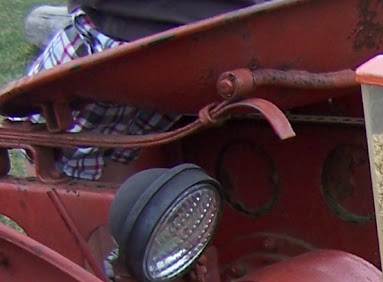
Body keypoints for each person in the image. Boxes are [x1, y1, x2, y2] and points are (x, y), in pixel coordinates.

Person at [25, 0, 261, 180]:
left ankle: (69, 237)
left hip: (123, 39)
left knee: (32, 134)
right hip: (223, 53)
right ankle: (113, 233)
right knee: (123, 149)